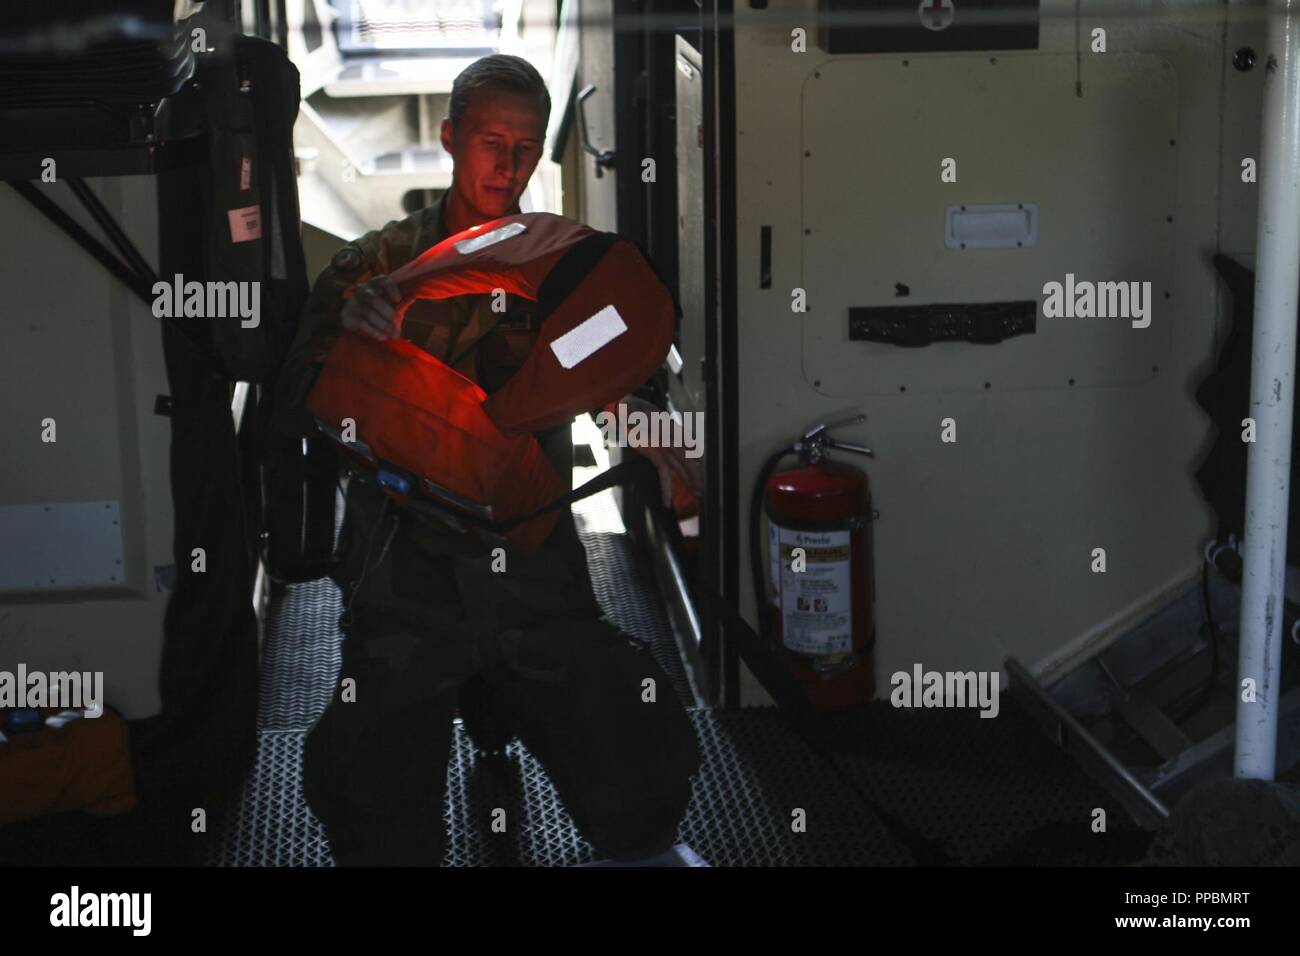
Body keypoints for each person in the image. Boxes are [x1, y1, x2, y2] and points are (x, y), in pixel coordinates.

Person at [274, 54, 702, 866]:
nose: (506, 166)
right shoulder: (375, 268)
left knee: (631, 742)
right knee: (369, 782)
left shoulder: (562, 270)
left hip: (529, 570)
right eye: (489, 141)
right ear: (450, 138)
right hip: (402, 578)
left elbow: (610, 371)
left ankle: (646, 846)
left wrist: (639, 416)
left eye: (527, 146)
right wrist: (360, 351)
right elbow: (302, 391)